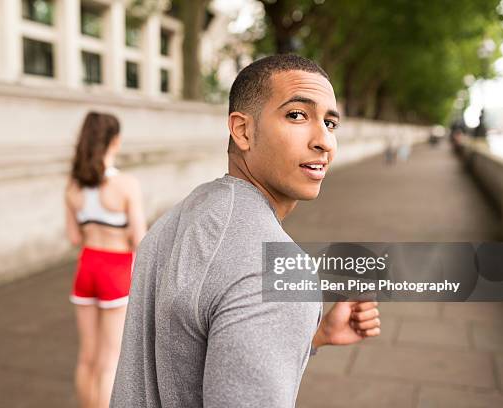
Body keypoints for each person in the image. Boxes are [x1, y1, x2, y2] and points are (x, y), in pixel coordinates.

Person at [111, 55, 381, 408]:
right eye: (297, 115)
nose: (324, 142)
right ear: (242, 131)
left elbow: (187, 352)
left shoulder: (184, 214)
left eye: (330, 123)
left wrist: (311, 336)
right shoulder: (275, 272)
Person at [65, 112, 146, 408]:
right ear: (115, 140)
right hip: (116, 270)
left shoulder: (74, 185)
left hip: (86, 266)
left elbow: (74, 238)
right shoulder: (126, 184)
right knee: (110, 361)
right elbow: (140, 239)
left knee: (87, 357)